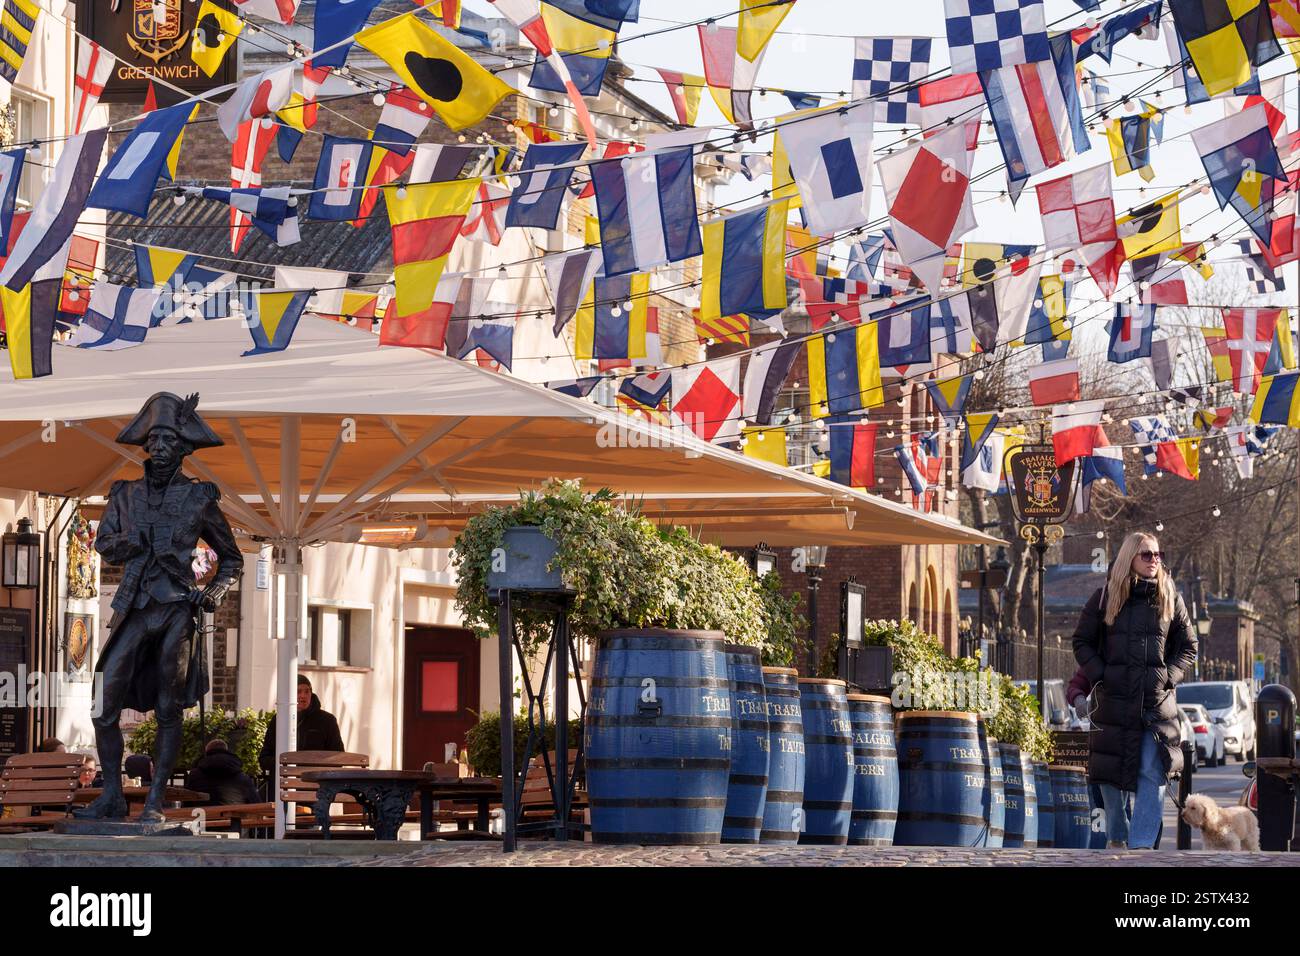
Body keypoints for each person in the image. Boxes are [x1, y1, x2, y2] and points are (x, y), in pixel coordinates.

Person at [73, 392, 243, 824]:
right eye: (156, 439)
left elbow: (232, 558)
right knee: (102, 698)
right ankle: (112, 794)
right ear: (146, 445)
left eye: (170, 440)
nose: (162, 447)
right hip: (133, 604)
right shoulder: (125, 495)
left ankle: (154, 802)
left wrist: (216, 591)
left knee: (170, 707)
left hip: (175, 609)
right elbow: (107, 544)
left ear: (185, 448)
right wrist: (134, 543)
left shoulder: (198, 498)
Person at [1072, 531, 1197, 849]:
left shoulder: (1171, 597)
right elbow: (1081, 641)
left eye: (1157, 554)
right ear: (1130, 558)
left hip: (1155, 708)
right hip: (1113, 705)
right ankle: (1117, 835)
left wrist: (1167, 676)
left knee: (1150, 774)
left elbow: (1188, 646)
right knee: (1110, 780)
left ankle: (1141, 847)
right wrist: (1102, 674)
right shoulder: (1105, 597)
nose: (1155, 560)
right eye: (1147, 554)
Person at [258, 674, 345, 775]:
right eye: (298, 691)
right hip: (284, 779)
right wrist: (286, 763)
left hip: (316, 780)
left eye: (307, 691)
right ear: (289, 694)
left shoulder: (327, 720)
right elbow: (264, 758)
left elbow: (338, 756)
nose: (303, 696)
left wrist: (312, 765)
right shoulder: (279, 720)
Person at [186, 739, 259, 806]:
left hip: (202, 817)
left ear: (207, 752)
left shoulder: (194, 775)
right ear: (226, 750)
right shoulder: (241, 776)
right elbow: (255, 802)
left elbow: (187, 803)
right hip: (233, 819)